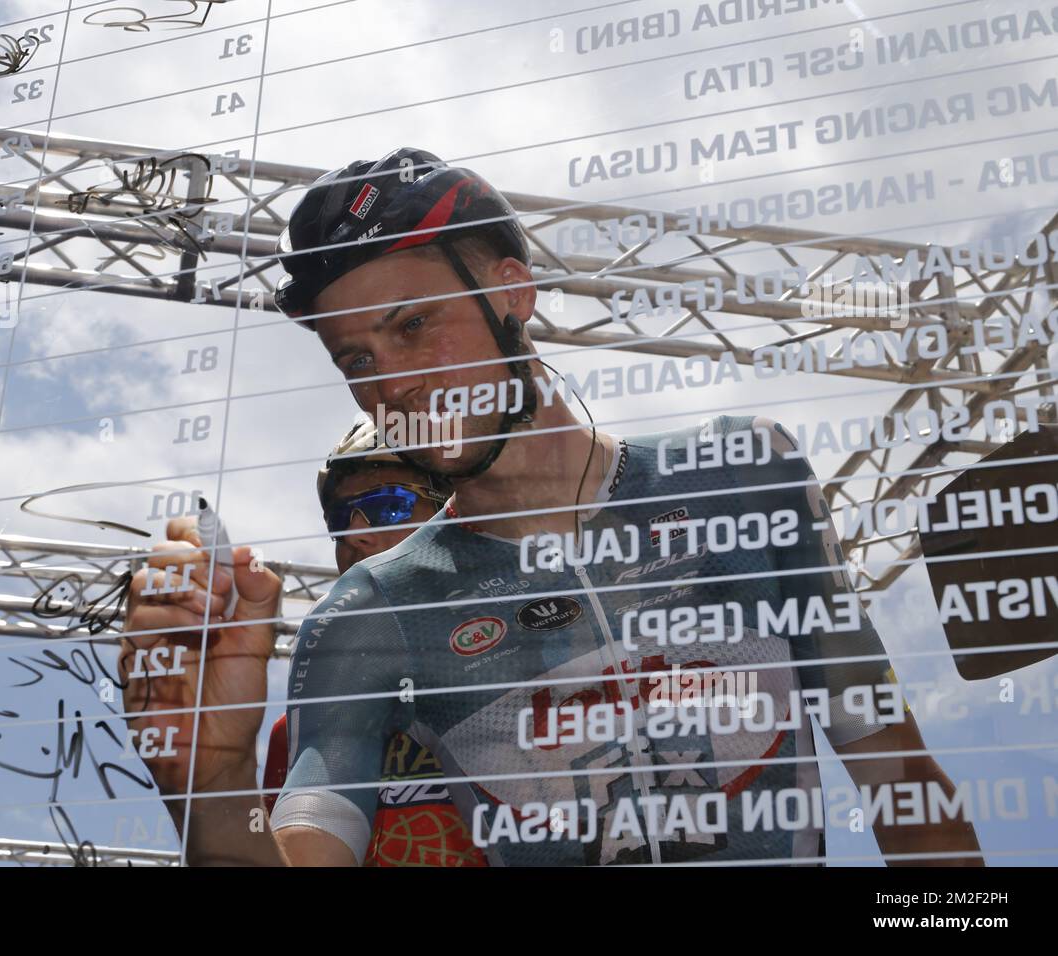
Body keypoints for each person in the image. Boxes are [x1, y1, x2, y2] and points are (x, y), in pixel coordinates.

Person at [128, 146, 981, 867]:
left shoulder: (742, 470)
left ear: (512, 292)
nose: (390, 382)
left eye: (415, 325)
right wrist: (216, 774)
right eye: (356, 357)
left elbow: (895, 771)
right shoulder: (371, 611)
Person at [122, 414, 487, 866]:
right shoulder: (295, 730)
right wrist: (214, 782)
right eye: (339, 518)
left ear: (462, 512)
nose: (354, 535)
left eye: (387, 505)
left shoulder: (579, 652)